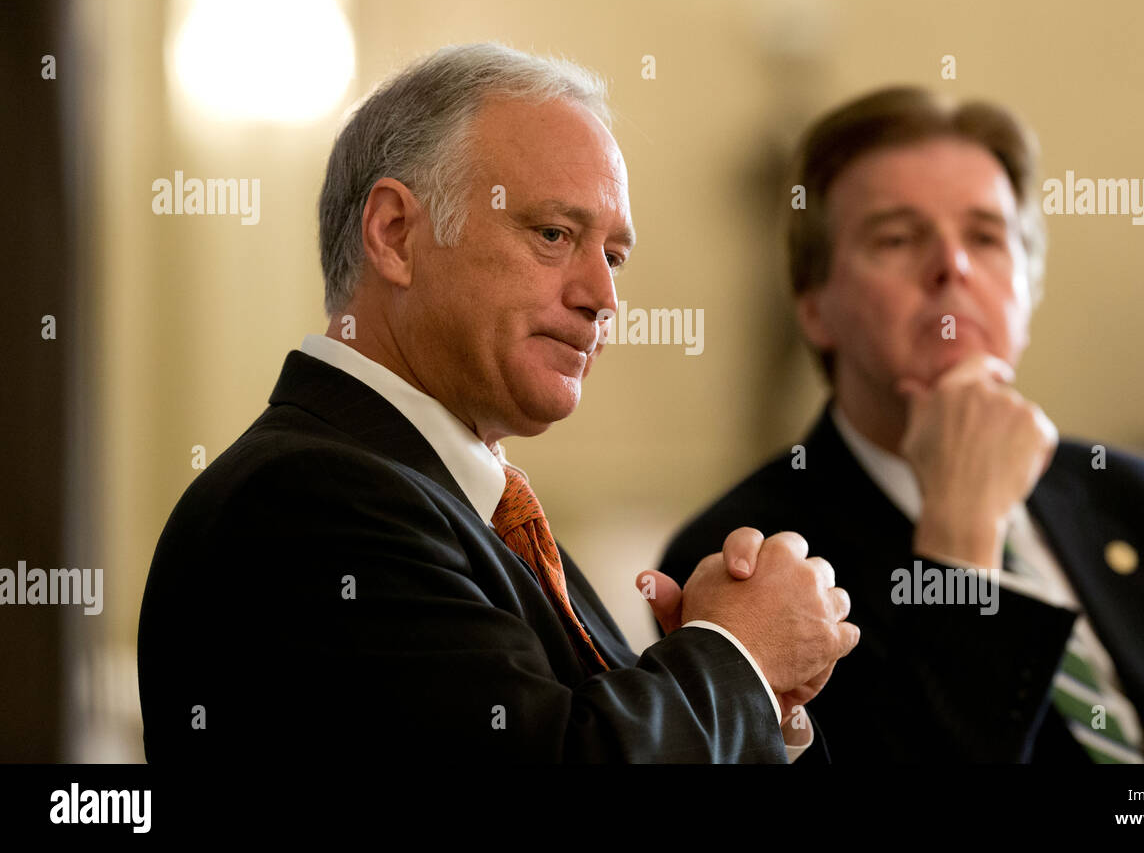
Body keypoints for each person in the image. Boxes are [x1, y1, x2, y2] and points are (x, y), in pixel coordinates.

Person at [137, 43, 857, 764]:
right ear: (394, 235)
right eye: (554, 235)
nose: (603, 299)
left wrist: (766, 707)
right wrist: (735, 658)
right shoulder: (308, 500)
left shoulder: (477, 508)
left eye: (612, 257)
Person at [661, 86, 1144, 762]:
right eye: (898, 237)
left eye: (986, 236)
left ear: (1030, 287)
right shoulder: (744, 557)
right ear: (814, 306)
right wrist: (962, 537)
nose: (952, 266)